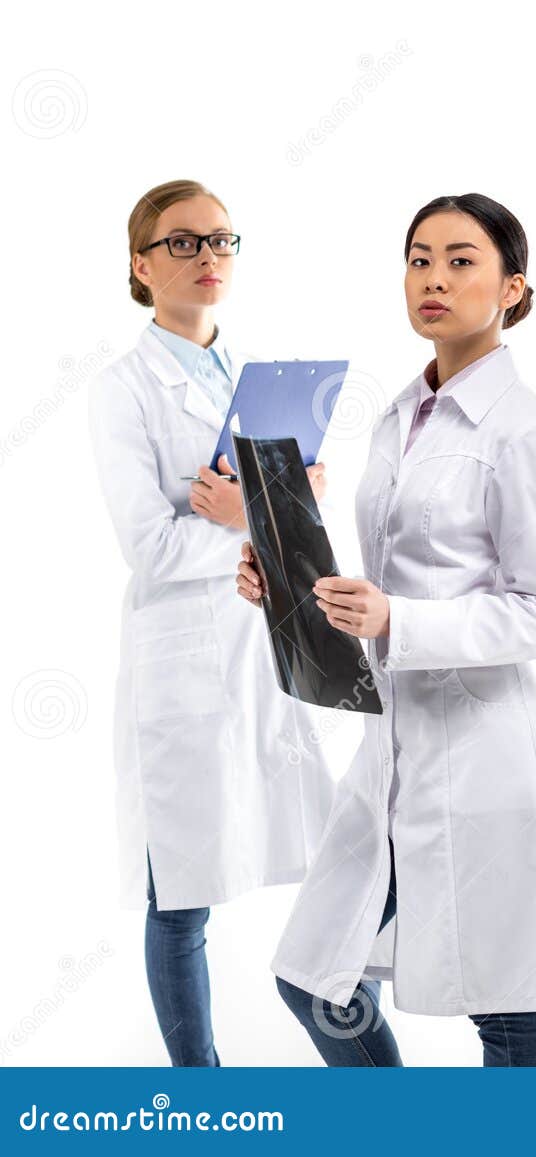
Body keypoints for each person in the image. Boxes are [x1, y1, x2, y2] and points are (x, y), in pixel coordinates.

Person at [239, 193, 536, 1066]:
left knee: (503, 1007)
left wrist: (401, 619)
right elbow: (377, 579)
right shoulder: (402, 416)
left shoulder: (526, 433)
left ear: (513, 288)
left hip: (483, 750)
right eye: (419, 258)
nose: (434, 278)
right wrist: (287, 587)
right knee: (312, 977)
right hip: (393, 746)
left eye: (462, 260)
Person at [88, 179, 335, 1065]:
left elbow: (293, 511)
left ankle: (355, 1044)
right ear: (141, 264)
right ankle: (202, 1091)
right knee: (182, 891)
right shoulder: (123, 390)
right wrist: (241, 523)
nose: (208, 257)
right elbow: (151, 545)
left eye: (224, 241)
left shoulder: (259, 381)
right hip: (184, 658)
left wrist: (270, 510)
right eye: (185, 242)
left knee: (335, 854)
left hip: (266, 650)